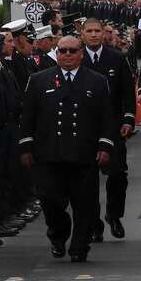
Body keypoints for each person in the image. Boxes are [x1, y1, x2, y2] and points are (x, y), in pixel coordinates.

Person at [18, 35, 115, 263]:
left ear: (81, 53)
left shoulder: (97, 81)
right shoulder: (39, 80)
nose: (68, 55)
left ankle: (80, 246)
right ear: (57, 53)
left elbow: (106, 117)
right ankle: (58, 234)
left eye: (72, 51)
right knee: (49, 199)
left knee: (85, 204)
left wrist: (105, 146)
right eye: (63, 51)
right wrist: (26, 147)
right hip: (50, 153)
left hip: (84, 153)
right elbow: (28, 117)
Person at [81, 18, 136, 242]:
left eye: (97, 31)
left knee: (117, 174)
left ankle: (114, 215)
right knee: (87, 179)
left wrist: (128, 119)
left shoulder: (116, 58)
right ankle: (93, 223)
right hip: (84, 128)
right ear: (82, 34)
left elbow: (127, 92)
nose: (94, 35)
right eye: (89, 31)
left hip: (112, 127)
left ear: (104, 33)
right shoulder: (76, 57)